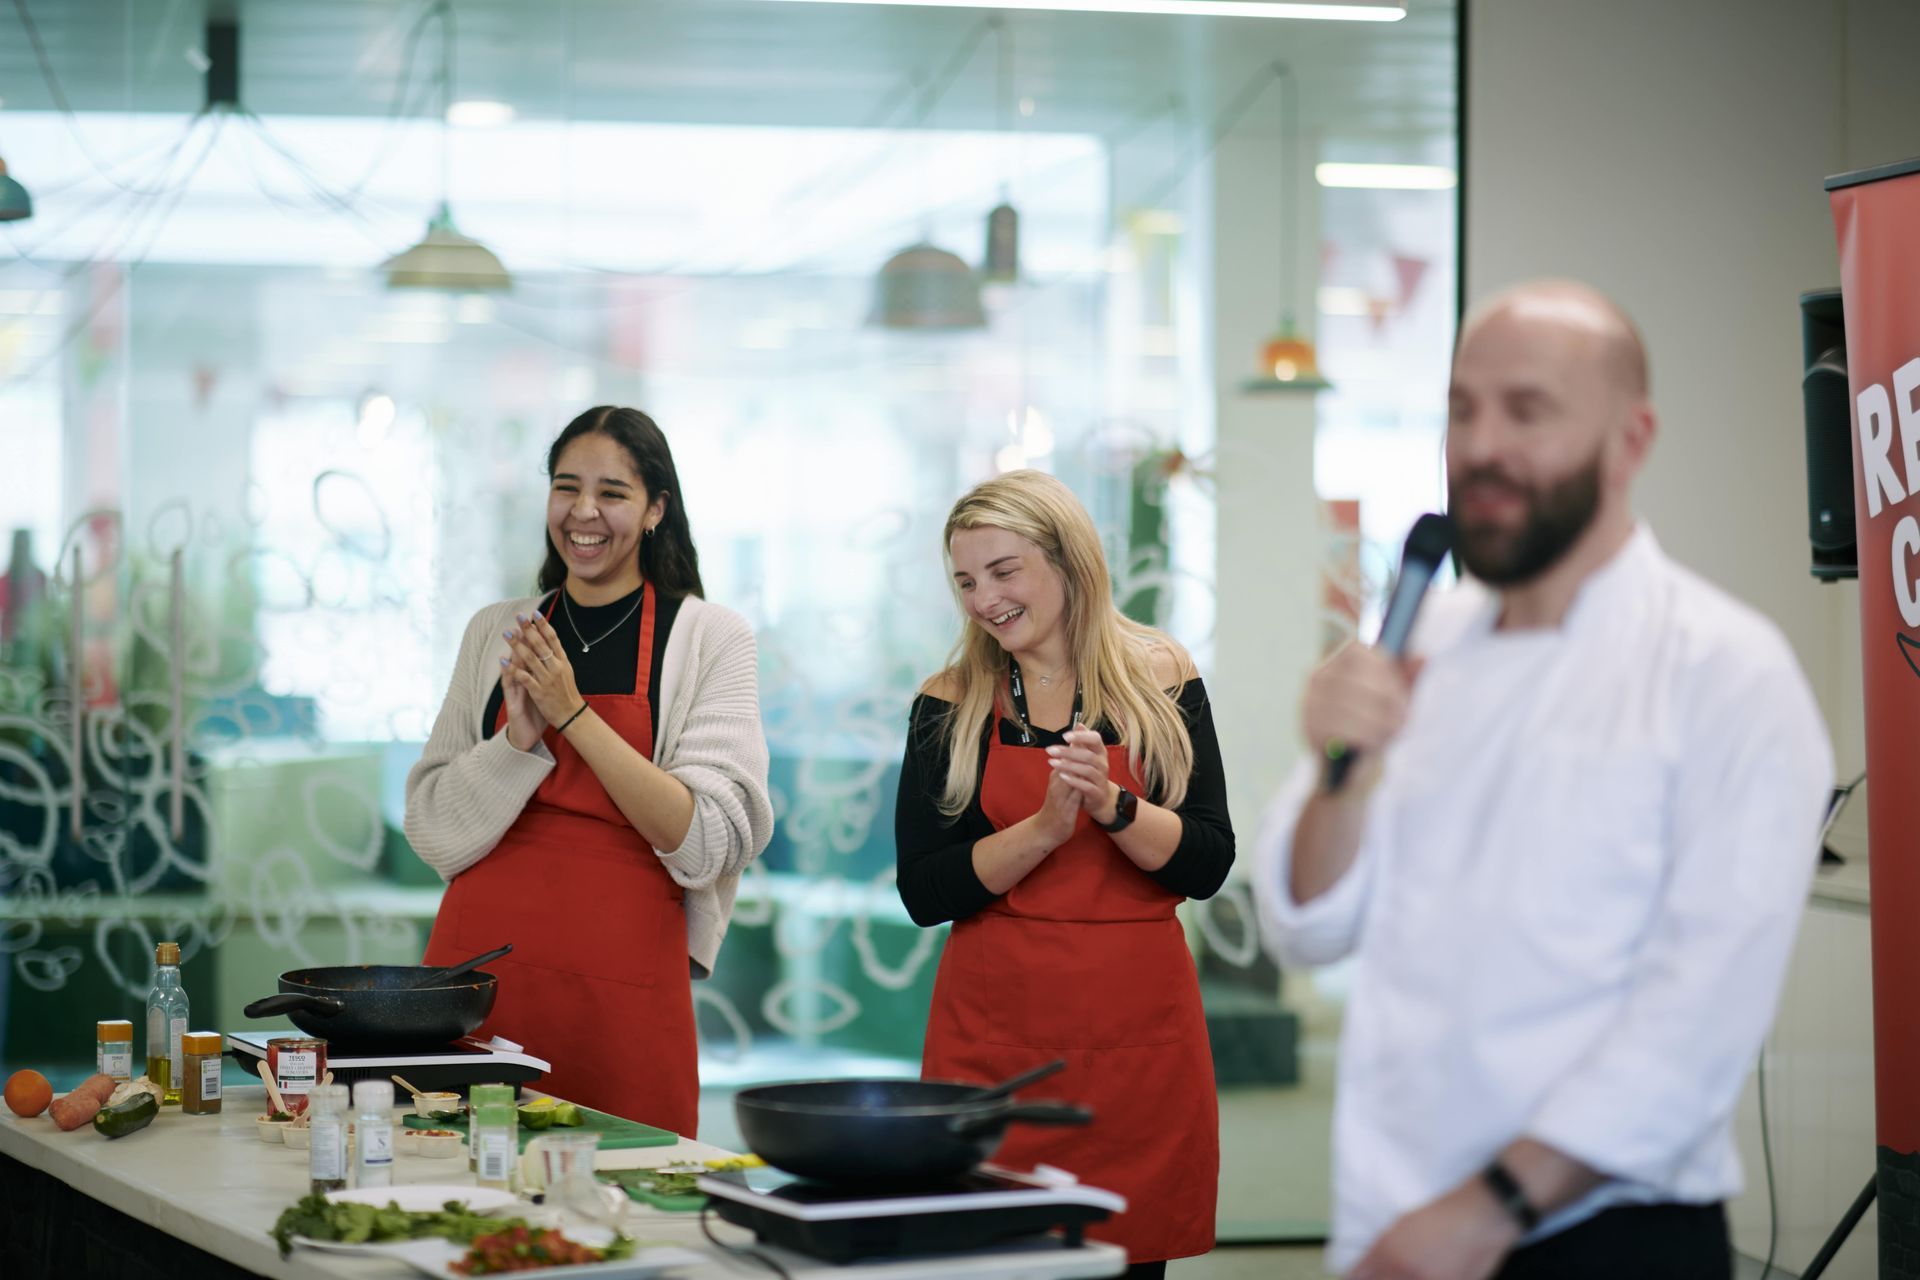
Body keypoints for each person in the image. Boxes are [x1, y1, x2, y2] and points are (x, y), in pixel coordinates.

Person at [1253, 281, 1834, 1280]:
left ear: (1630, 440)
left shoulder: (1725, 669)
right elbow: (1305, 922)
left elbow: (1691, 1023)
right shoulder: (1415, 645)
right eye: (1462, 408)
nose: (1482, 446)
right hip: (1392, 1221)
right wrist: (1337, 781)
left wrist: (1487, 1210)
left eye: (1527, 411)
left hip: (1588, 1234)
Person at [895, 469, 1235, 1279]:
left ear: (1069, 560)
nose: (985, 599)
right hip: (994, 1044)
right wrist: (1046, 829)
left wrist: (1114, 808)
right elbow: (924, 889)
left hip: (1137, 1045)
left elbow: (1208, 858)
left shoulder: (1161, 678)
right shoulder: (950, 701)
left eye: (1004, 571)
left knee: (1128, 1259)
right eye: (966, 581)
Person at [405, 405, 773, 1134]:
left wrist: (573, 716)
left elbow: (706, 845)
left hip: (622, 983)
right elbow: (434, 833)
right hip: (478, 976)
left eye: (613, 493)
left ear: (657, 509)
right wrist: (518, 740)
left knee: (630, 1197)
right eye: (566, 486)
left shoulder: (709, 637)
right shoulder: (496, 632)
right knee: (463, 1193)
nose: (584, 512)